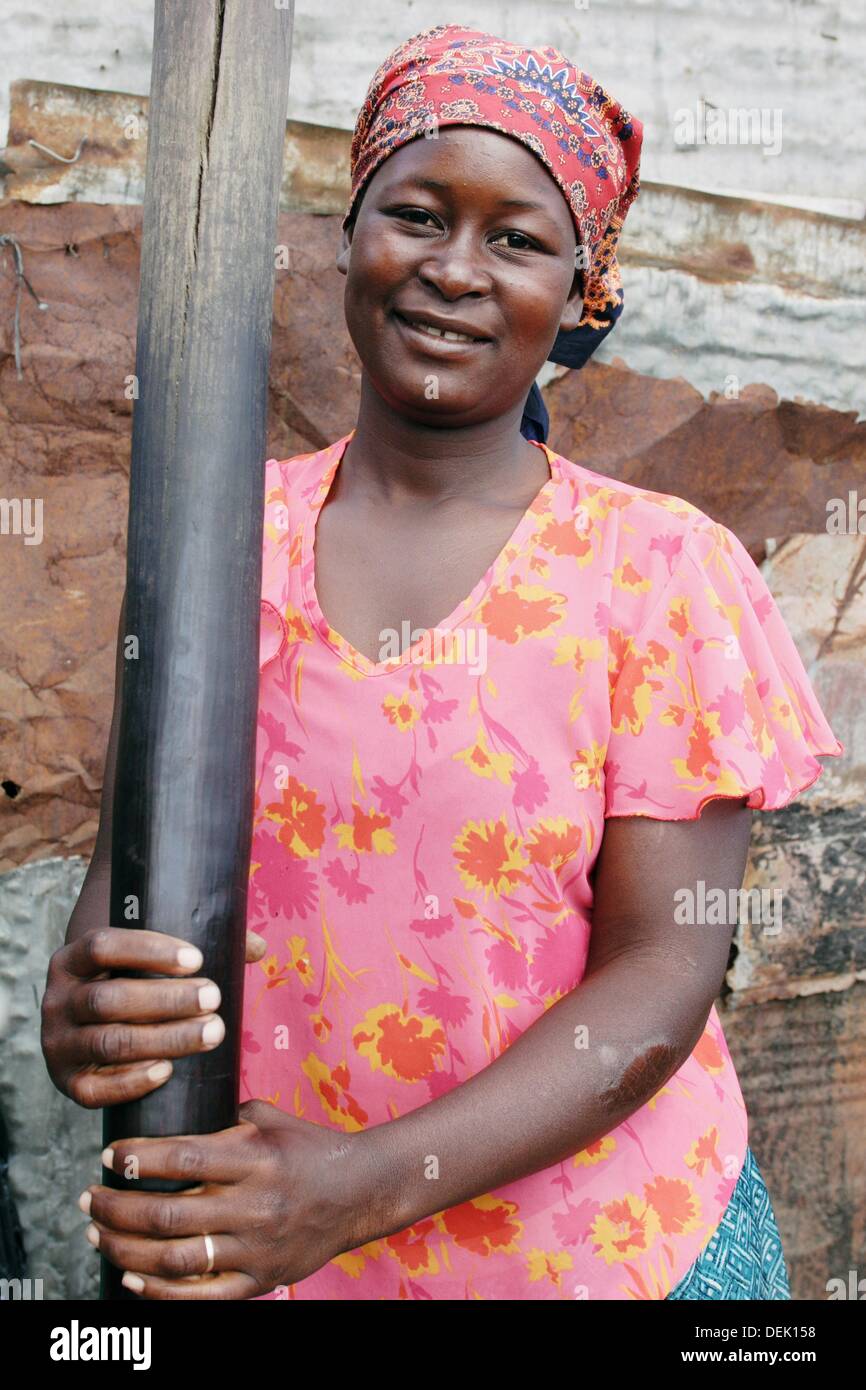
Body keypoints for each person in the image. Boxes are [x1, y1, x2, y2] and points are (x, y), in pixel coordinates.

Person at [41, 25, 843, 1300]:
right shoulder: (214, 540)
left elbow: (661, 973)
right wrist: (85, 1000)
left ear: (580, 291)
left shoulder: (656, 573)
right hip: (268, 1257)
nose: (454, 272)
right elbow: (126, 879)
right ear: (349, 237)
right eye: (416, 215)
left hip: (601, 1259)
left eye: (515, 239)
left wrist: (360, 1185)